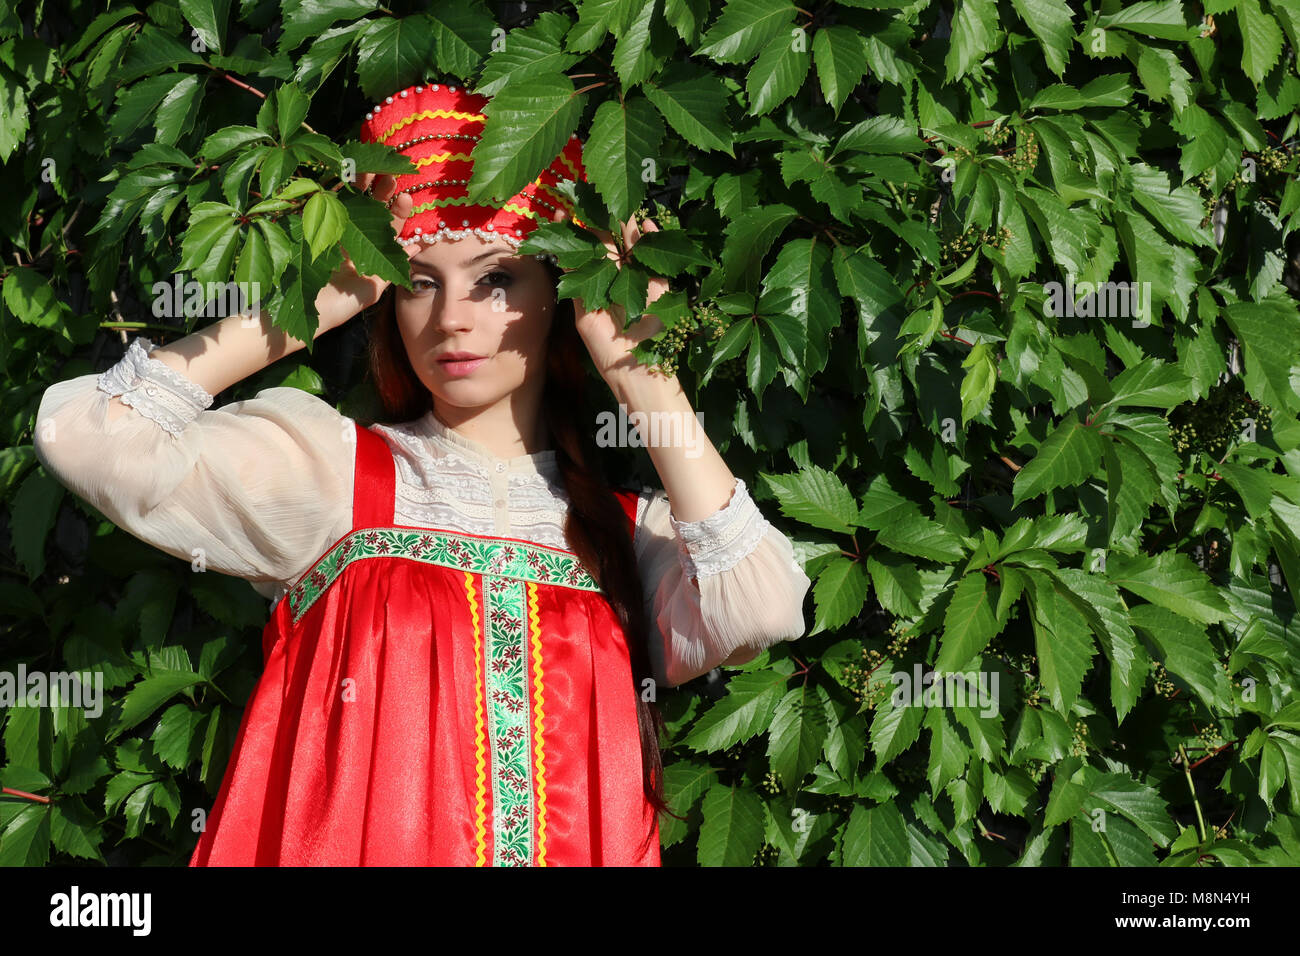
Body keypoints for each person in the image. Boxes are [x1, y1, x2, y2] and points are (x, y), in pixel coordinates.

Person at [32, 80, 811, 866]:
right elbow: (85, 436)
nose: (451, 319)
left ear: (560, 295)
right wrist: (313, 300)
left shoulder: (624, 537)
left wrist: (641, 376)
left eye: (496, 278)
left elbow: (765, 609)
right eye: (420, 282)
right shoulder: (335, 478)